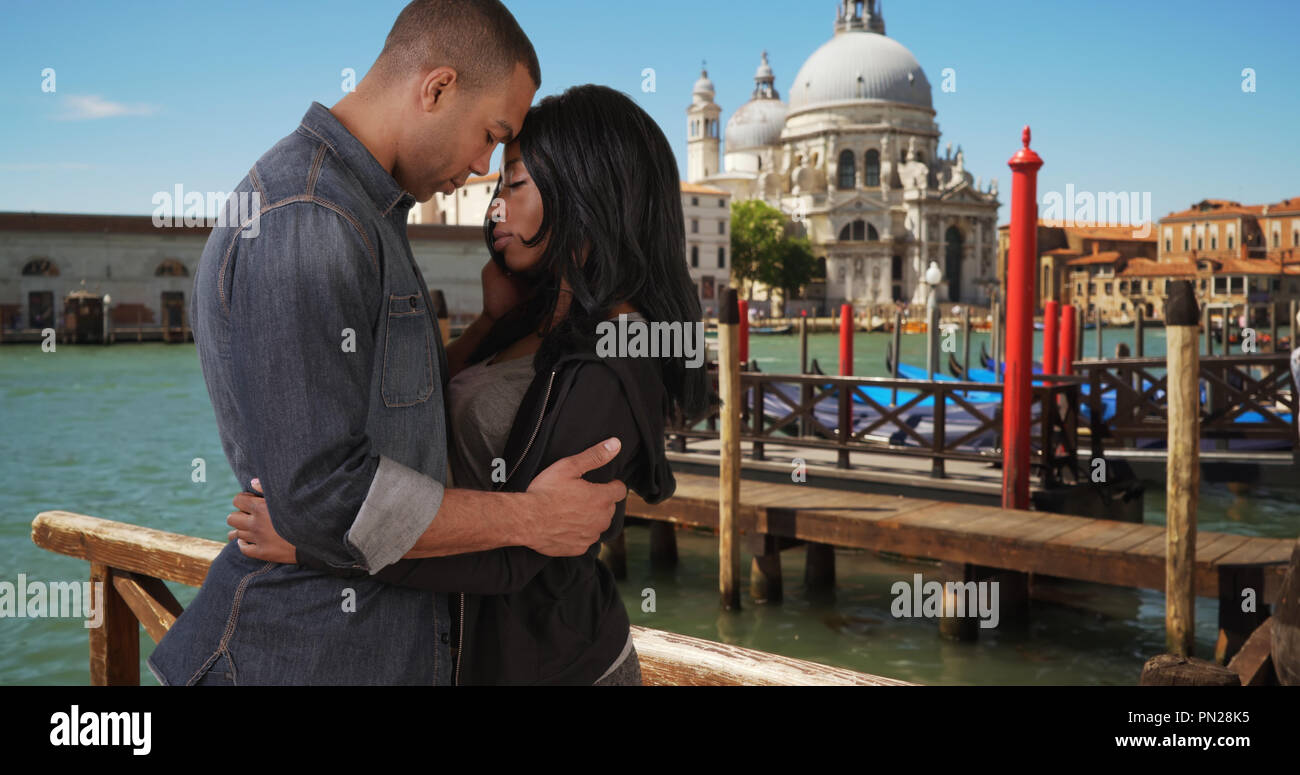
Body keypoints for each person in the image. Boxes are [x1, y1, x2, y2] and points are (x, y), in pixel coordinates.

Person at [148, 0, 629, 687]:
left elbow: (401, 417)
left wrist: (490, 329)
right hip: (302, 655)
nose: (481, 164)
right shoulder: (310, 220)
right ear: (436, 88)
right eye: (491, 134)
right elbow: (325, 501)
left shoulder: (363, 214)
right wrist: (533, 517)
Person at [227, 84, 715, 685]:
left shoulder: (618, 354)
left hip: (554, 666)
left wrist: (312, 543)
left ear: (586, 192)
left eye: (514, 185)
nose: (494, 208)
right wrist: (488, 324)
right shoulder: (540, 320)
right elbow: (425, 416)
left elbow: (520, 552)